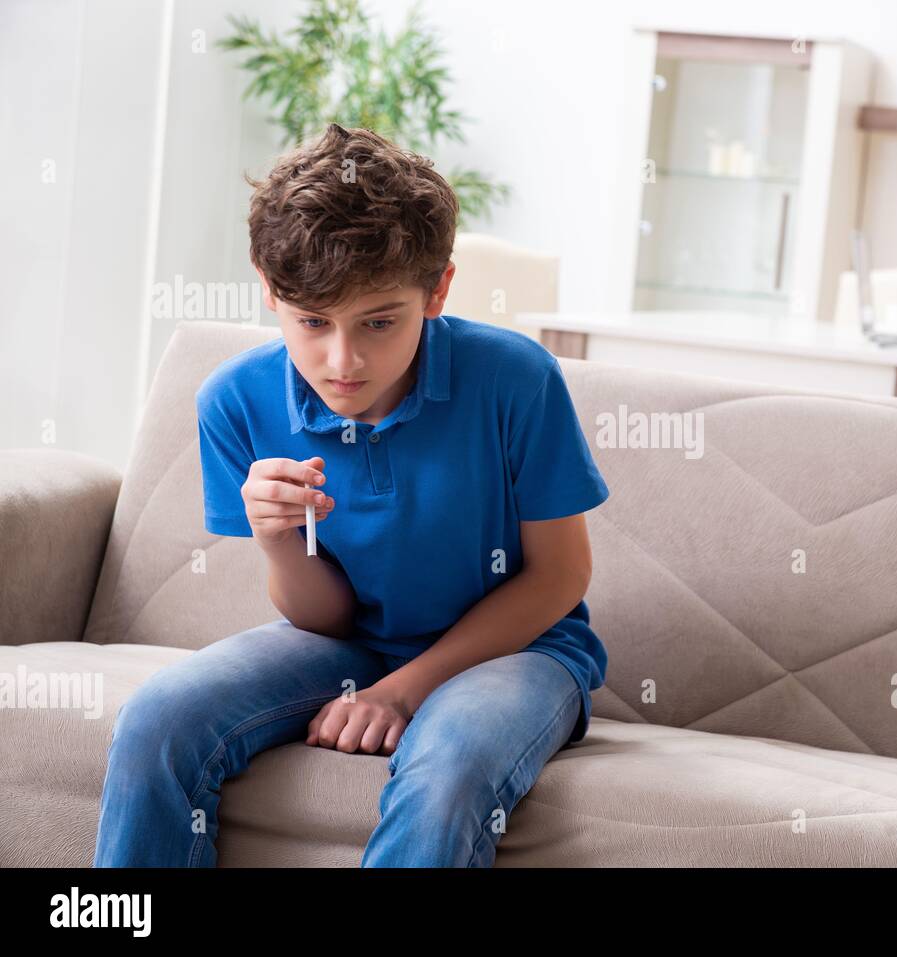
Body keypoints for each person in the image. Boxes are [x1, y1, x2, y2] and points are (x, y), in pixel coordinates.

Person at [94, 123, 610, 867]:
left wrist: (403, 690)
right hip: (347, 642)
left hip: (523, 650)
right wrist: (276, 537)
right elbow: (324, 616)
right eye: (311, 322)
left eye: (378, 321)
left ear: (437, 290)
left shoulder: (516, 380)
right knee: (157, 718)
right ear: (267, 289)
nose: (342, 361)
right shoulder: (234, 402)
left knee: (450, 765)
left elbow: (560, 576)